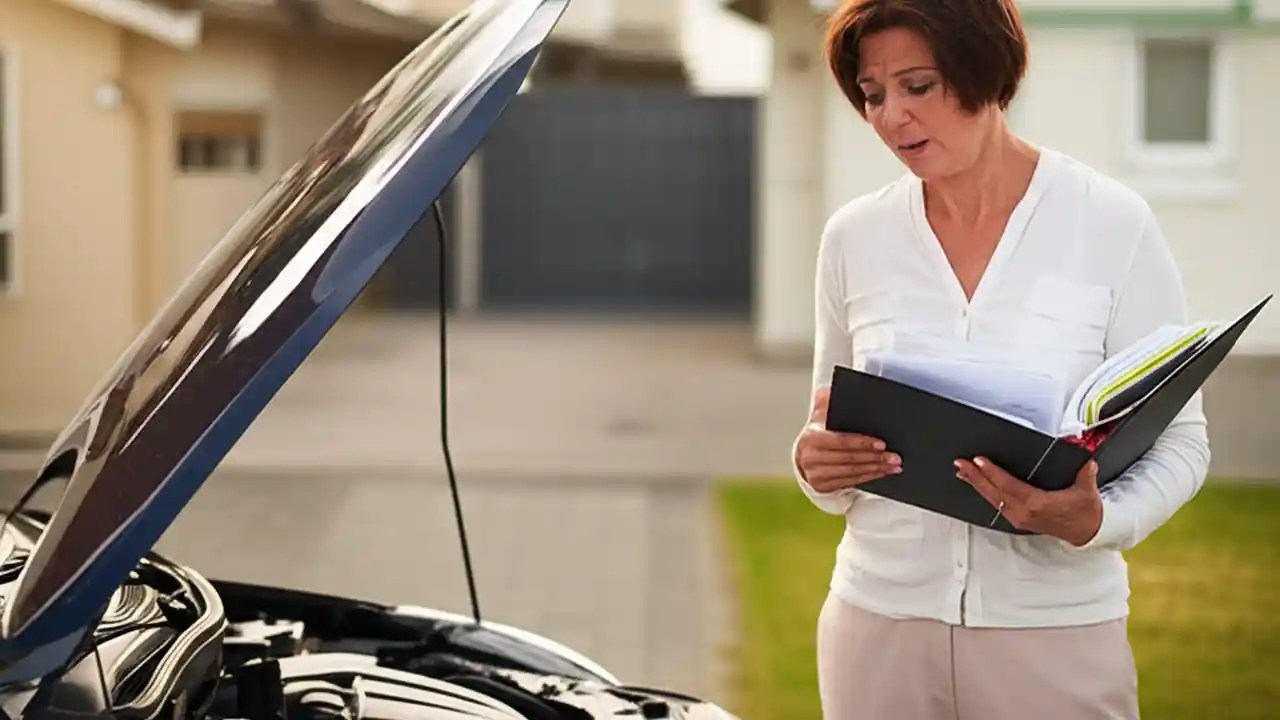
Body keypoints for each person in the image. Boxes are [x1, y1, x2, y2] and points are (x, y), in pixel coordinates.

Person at [791, 1, 1210, 718]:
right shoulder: (854, 238)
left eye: (918, 86)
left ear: (986, 68)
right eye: (874, 94)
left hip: (1054, 636)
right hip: (877, 628)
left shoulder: (1110, 223)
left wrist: (1095, 520)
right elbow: (826, 431)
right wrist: (814, 468)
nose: (892, 116)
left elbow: (1183, 440)